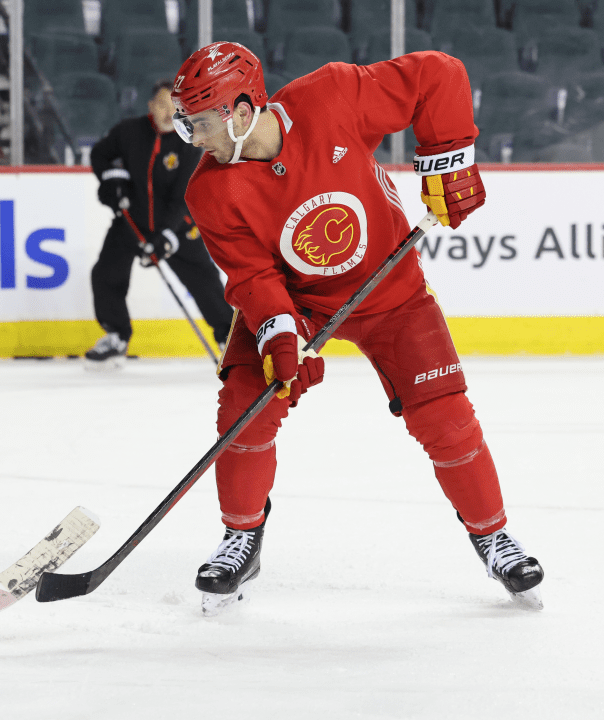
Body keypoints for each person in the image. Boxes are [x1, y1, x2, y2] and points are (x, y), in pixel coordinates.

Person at [169, 42, 543, 614]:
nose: (194, 139)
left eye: (199, 124)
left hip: (390, 291)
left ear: (242, 112)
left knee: (444, 415)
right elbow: (251, 277)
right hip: (298, 303)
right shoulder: (209, 190)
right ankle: (241, 536)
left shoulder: (332, 96)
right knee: (245, 406)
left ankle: (493, 536)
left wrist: (450, 159)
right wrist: (279, 332)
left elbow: (438, 74)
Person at [85, 78, 233, 366]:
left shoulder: (189, 143)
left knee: (205, 281)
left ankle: (229, 338)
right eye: (164, 105)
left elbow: (184, 198)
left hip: (176, 226)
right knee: (105, 273)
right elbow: (100, 154)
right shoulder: (128, 132)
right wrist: (112, 180)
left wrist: (166, 236)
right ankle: (116, 336)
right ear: (151, 106)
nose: (169, 113)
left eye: (176, 108)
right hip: (132, 221)